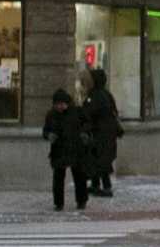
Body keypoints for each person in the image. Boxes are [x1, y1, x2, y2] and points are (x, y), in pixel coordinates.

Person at [42, 88, 89, 212]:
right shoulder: (51, 115)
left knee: (79, 176)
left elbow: (87, 124)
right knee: (58, 178)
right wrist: (49, 135)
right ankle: (58, 203)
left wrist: (84, 134)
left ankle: (81, 201)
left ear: (67, 103)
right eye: (57, 104)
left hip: (75, 148)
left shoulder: (76, 112)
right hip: (58, 149)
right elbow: (45, 131)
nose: (60, 107)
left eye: (62, 104)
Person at [82, 67, 124, 197]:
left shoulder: (96, 96)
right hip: (106, 133)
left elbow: (89, 114)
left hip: (101, 133)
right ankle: (96, 185)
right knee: (97, 159)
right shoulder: (105, 94)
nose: (86, 82)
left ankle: (106, 187)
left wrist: (85, 128)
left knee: (101, 160)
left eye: (89, 79)